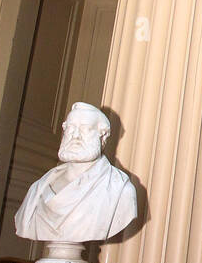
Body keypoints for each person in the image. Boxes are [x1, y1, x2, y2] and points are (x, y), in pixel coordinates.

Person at [14, 102, 137, 249]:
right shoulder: (38, 187)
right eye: (70, 128)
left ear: (102, 137)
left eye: (84, 129)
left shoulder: (119, 190)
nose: (75, 136)